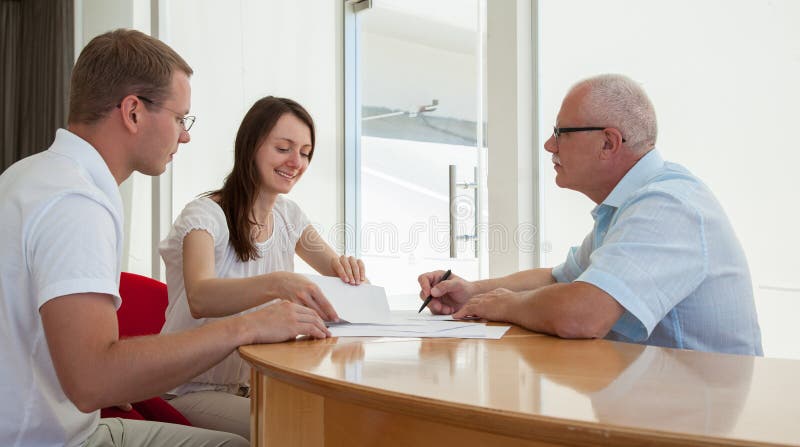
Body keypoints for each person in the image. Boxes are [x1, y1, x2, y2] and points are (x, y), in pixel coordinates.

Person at [0, 29, 329, 447]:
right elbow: (93, 380)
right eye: (179, 118)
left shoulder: (31, 175)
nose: (185, 134)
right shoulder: (77, 203)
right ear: (133, 112)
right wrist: (248, 326)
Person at [418, 73, 762, 356]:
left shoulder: (668, 206)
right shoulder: (628, 207)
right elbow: (559, 280)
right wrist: (472, 292)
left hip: (700, 429)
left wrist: (506, 305)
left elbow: (581, 315)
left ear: (609, 143)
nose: (549, 146)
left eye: (560, 133)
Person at [159, 95, 366, 439]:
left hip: (257, 384)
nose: (296, 162)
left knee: (342, 421)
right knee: (299, 432)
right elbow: (201, 296)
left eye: (305, 152)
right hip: (188, 389)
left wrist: (348, 269)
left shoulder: (289, 216)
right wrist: (279, 282)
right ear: (251, 146)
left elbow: (335, 269)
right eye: (283, 148)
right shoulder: (204, 216)